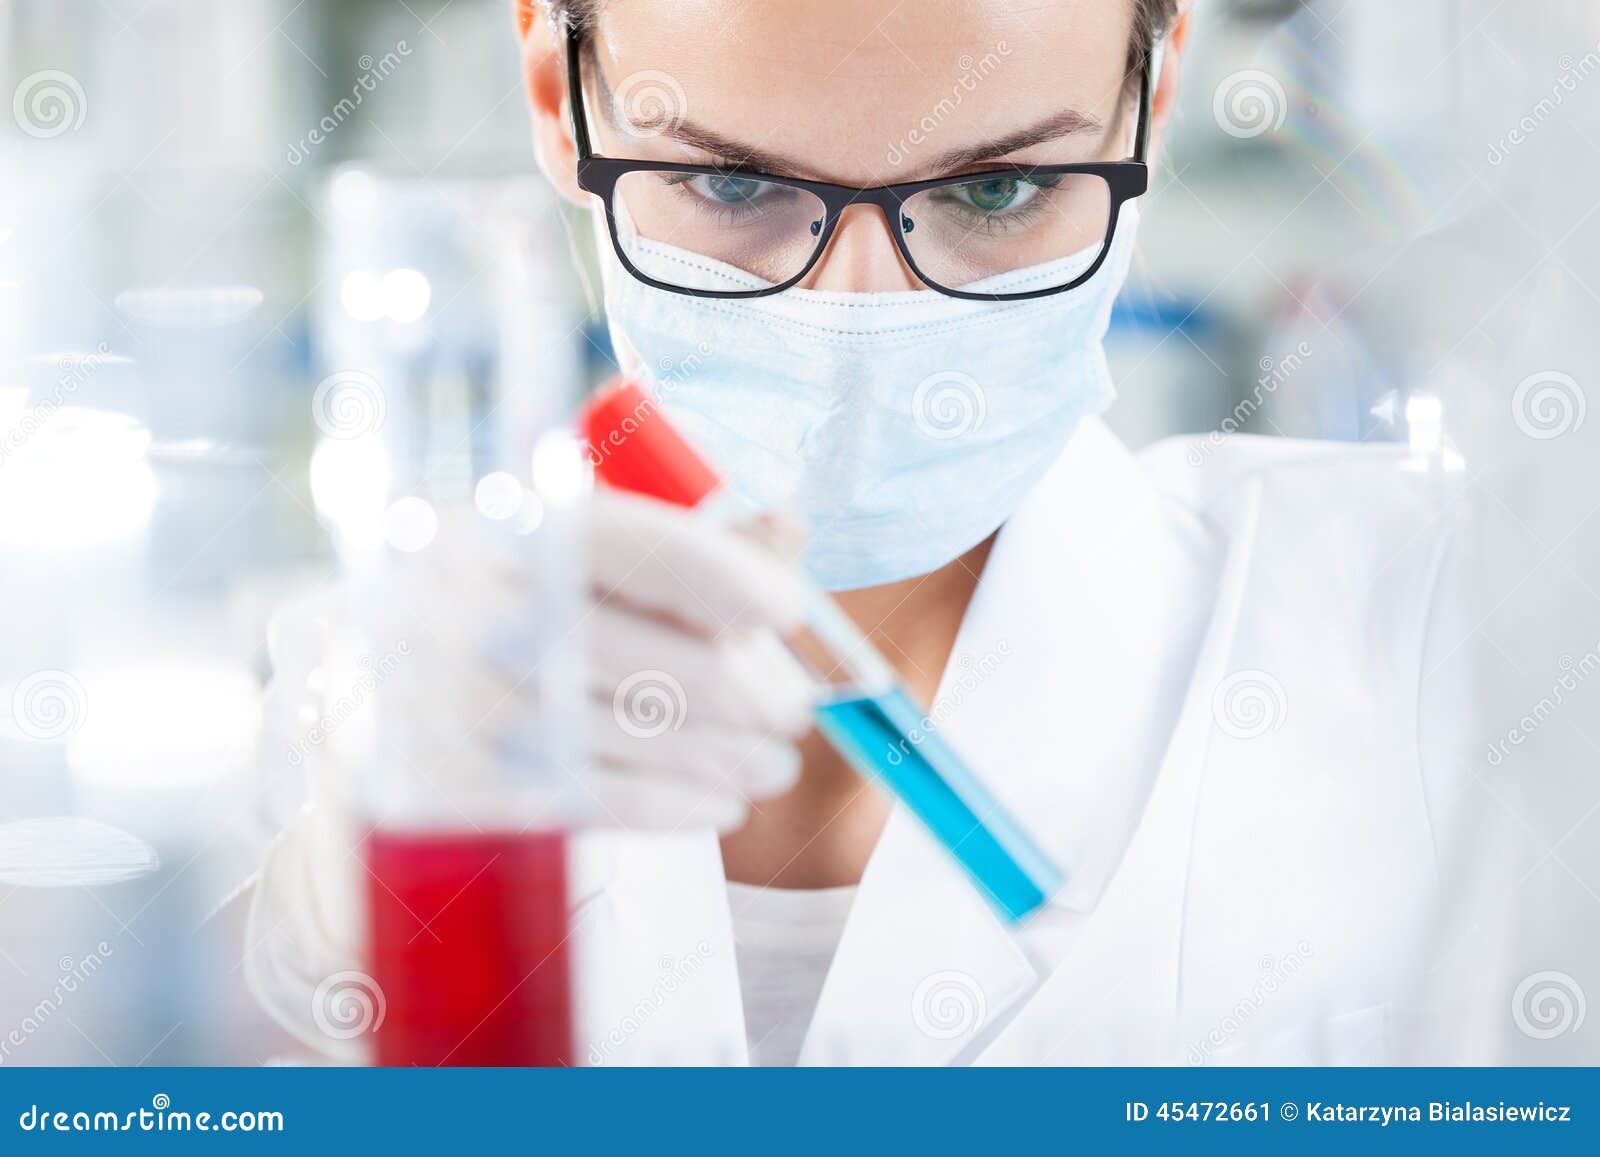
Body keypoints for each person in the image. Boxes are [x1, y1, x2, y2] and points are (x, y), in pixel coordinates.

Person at [247, 0, 1488, 1065]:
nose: (855, 317)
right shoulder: (372, 699)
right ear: (556, 97)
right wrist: (380, 871)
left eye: (995, 189)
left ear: (1151, 101)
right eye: (733, 184)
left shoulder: (1429, 622)